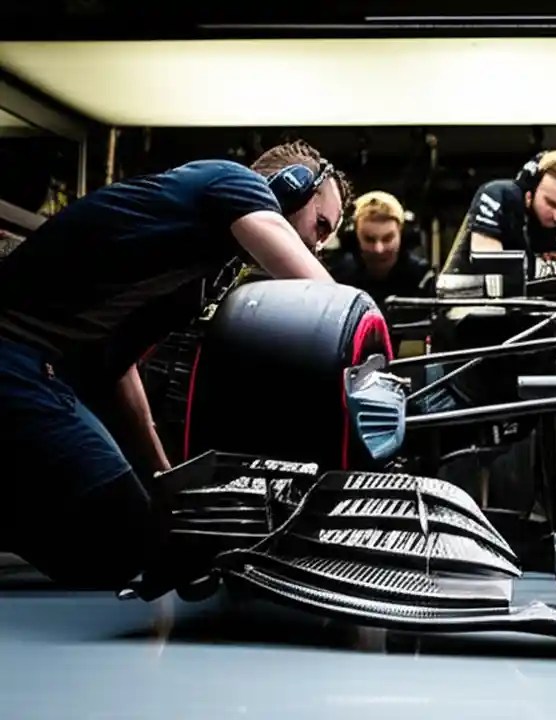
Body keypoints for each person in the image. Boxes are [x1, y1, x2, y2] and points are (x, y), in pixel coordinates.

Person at [0, 139, 350, 590]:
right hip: (15, 356)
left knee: (114, 544)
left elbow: (116, 367)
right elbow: (326, 302)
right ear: (292, 186)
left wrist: (164, 477)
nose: (318, 245)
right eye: (321, 224)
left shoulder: (193, 276)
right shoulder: (235, 182)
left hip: (34, 368)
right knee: (124, 535)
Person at [440, 149, 556, 277]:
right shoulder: (498, 197)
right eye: (551, 203)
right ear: (529, 194)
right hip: (474, 303)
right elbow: (490, 269)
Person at [328, 190, 431, 307]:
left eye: (388, 239)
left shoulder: (423, 280)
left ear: (403, 234)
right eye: (369, 239)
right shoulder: (336, 280)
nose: (378, 249)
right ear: (353, 237)